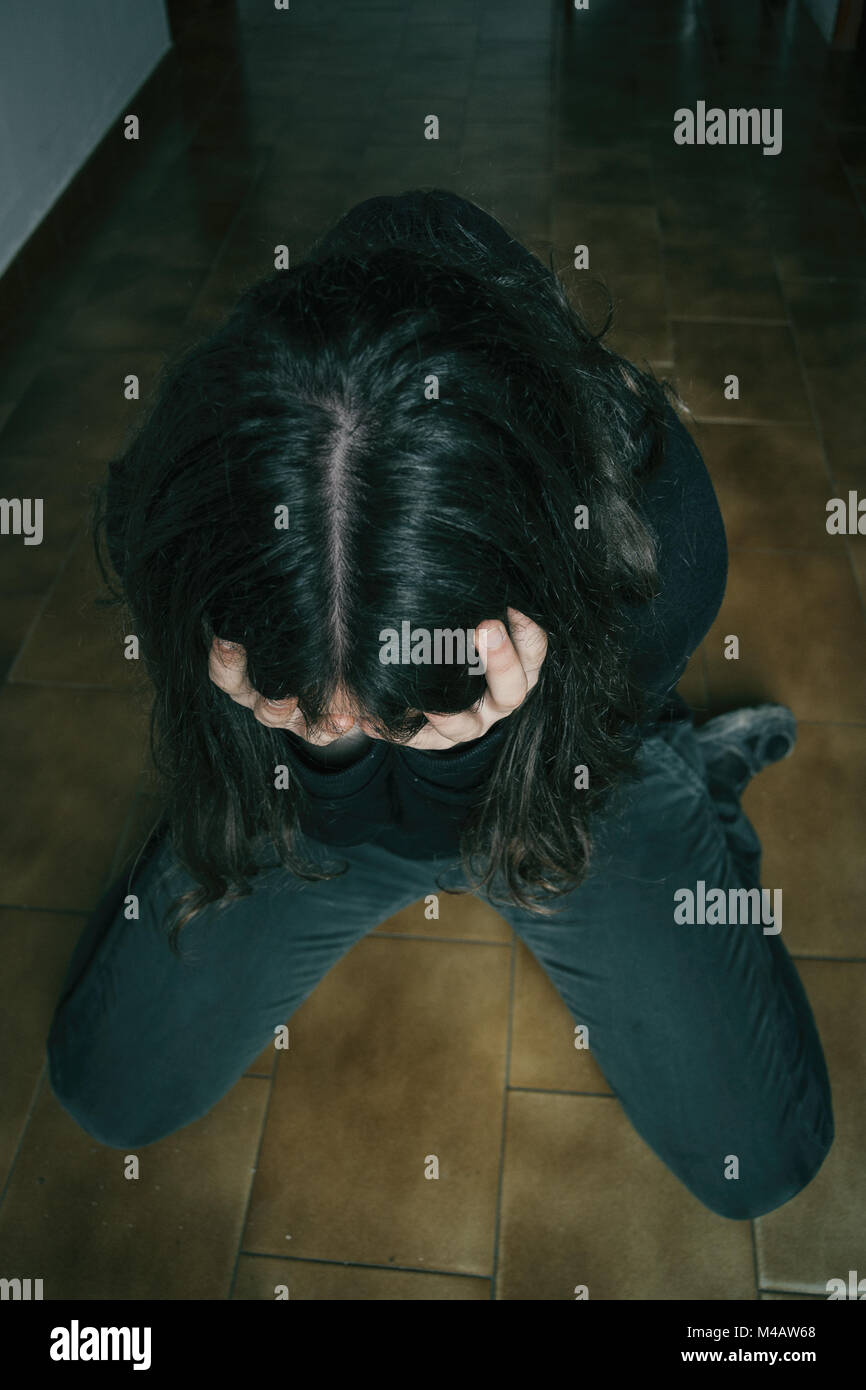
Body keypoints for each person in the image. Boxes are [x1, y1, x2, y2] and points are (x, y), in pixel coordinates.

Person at [47, 188, 833, 1221]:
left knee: (762, 1161)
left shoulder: (656, 539)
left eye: (390, 708)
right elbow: (354, 788)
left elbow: (491, 813)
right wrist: (307, 750)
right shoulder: (212, 523)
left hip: (572, 766)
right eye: (306, 694)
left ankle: (690, 769)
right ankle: (251, 786)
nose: (362, 730)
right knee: (108, 1090)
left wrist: (472, 751)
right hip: (309, 792)